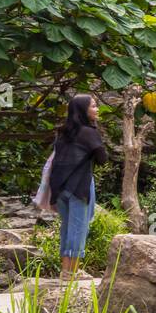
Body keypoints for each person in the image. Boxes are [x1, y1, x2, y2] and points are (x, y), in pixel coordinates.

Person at [48, 93, 108, 281]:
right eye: (93, 106)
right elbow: (102, 158)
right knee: (79, 228)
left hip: (59, 188)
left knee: (67, 227)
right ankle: (71, 273)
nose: (97, 109)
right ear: (83, 110)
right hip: (80, 186)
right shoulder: (88, 132)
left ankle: (65, 270)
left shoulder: (63, 132)